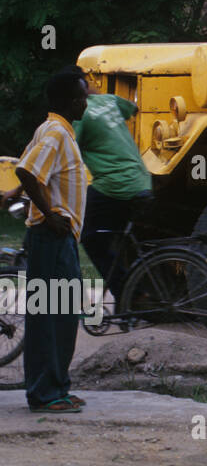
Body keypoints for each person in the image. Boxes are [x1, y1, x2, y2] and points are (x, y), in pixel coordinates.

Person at [0, 70, 89, 413]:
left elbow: (28, 165)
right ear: (69, 101)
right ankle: (44, 394)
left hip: (58, 239)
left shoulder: (51, 129)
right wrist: (50, 213)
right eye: (82, 97)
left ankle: (58, 388)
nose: (86, 102)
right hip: (51, 237)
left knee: (63, 315)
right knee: (51, 316)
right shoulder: (55, 133)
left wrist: (13, 193)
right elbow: (28, 171)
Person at [75, 77, 154, 301]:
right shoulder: (108, 100)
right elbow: (134, 108)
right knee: (110, 237)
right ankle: (131, 295)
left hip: (116, 184)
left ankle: (130, 296)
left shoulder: (79, 115)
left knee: (89, 237)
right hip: (141, 179)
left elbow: (67, 154)